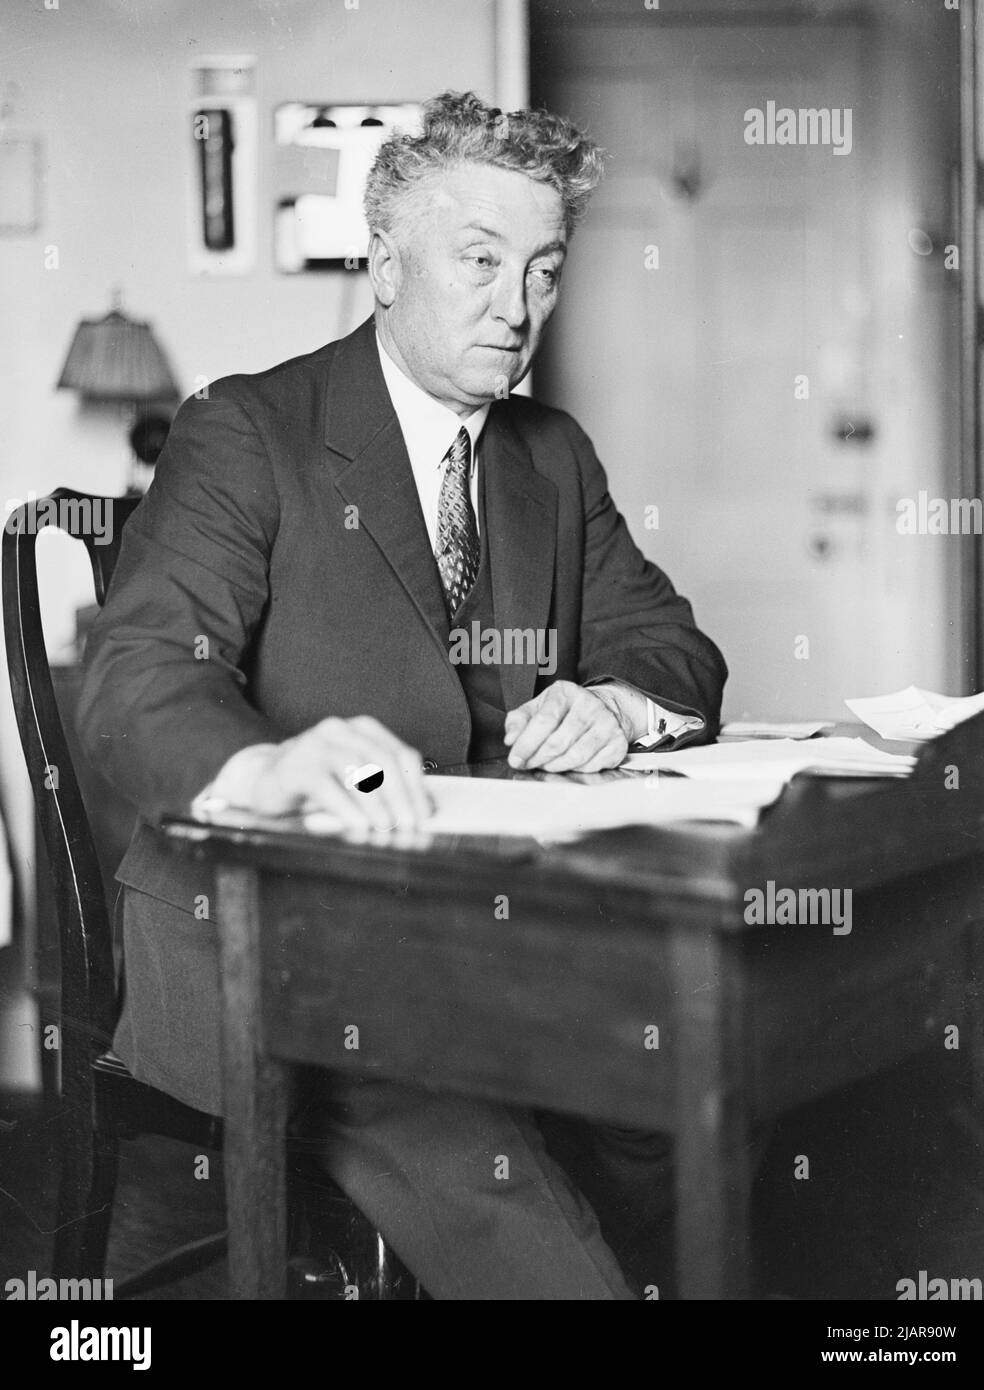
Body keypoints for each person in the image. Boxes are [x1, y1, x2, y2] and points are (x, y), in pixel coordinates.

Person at [79, 91, 728, 1299]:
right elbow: (137, 674)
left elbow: (673, 647)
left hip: (488, 934)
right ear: (383, 263)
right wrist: (260, 766)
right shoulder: (246, 428)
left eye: (542, 267)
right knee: (475, 1148)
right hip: (274, 935)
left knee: (674, 1079)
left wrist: (620, 702)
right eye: (479, 261)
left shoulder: (549, 453)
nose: (516, 305)